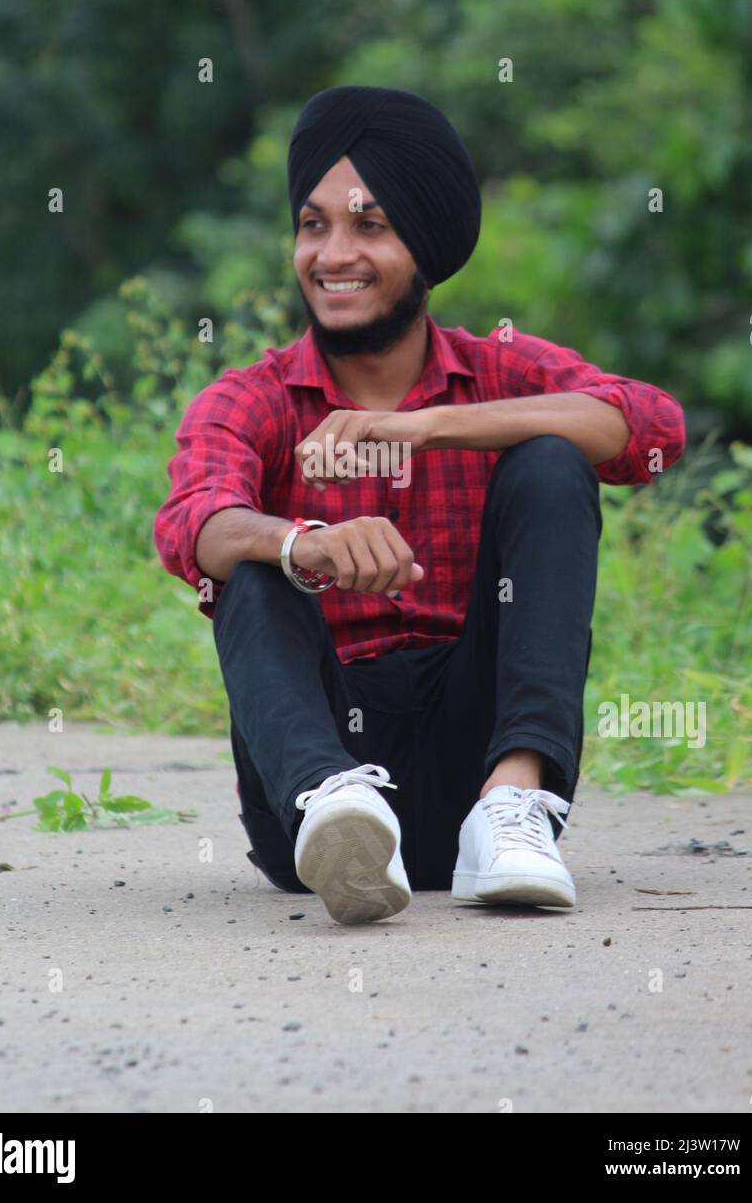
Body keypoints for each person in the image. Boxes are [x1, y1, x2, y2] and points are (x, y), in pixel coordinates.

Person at [153, 84, 685, 926]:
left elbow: (650, 426)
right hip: (320, 785)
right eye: (313, 224)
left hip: (474, 765)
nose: (334, 253)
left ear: (424, 246)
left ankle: (516, 810)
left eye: (370, 225)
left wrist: (430, 428)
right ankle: (338, 813)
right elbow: (193, 520)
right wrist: (308, 544)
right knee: (253, 563)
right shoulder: (251, 397)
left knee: (553, 460)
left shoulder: (496, 368)